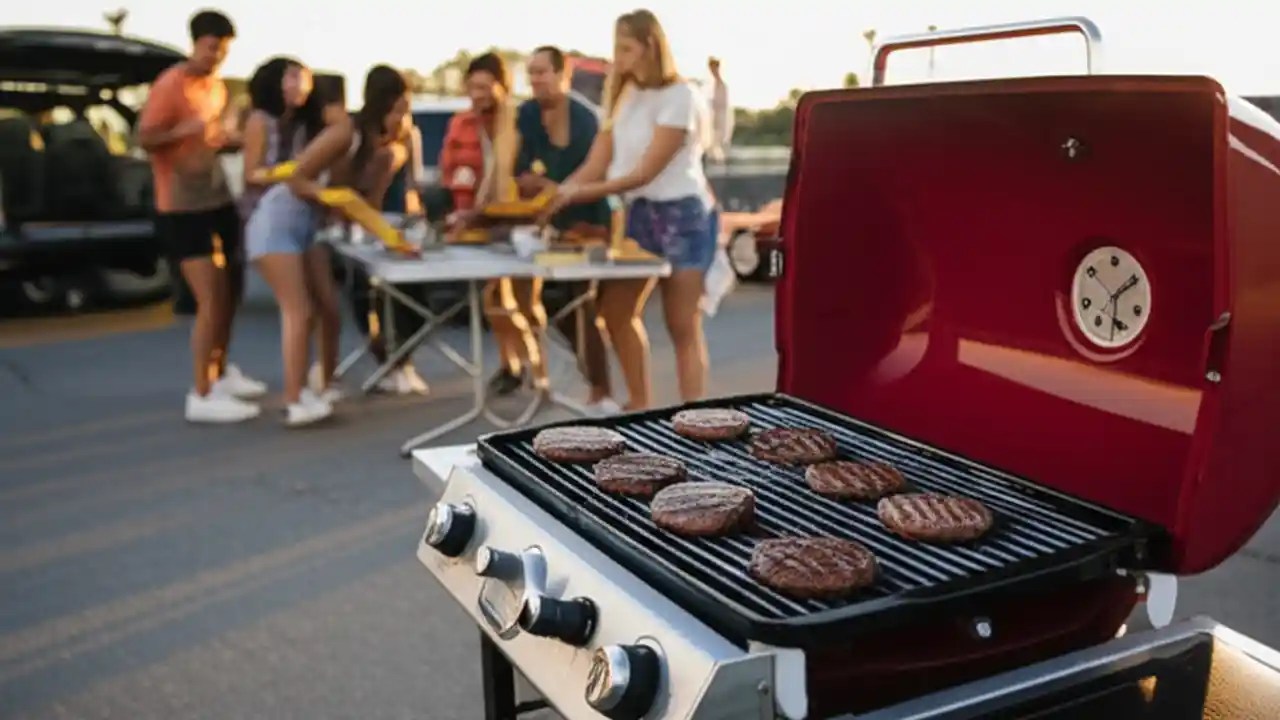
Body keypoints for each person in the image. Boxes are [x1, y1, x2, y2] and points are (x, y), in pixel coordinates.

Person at [542, 9, 716, 408]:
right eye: (616, 48)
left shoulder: (681, 96)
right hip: (640, 215)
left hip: (683, 216)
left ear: (650, 47)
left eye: (626, 48)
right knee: (614, 310)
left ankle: (697, 417)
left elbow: (645, 172)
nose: (618, 58)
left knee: (681, 324)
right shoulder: (622, 95)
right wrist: (561, 191)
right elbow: (596, 163)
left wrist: (581, 195)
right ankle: (639, 403)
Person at [244, 65, 403, 426]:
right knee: (298, 312)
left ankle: (324, 381)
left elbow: (347, 196)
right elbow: (298, 178)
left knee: (328, 308)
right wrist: (333, 198)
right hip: (277, 225)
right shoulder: (340, 132)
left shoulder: (345, 135)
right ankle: (295, 399)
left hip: (307, 227)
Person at [138, 9, 266, 423]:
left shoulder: (216, 88)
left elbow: (208, 138)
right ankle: (202, 392)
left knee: (229, 292)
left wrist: (226, 139)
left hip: (215, 196)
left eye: (224, 51)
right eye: (212, 48)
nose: (217, 57)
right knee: (209, 297)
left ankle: (222, 371)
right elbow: (146, 138)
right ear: (195, 43)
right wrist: (184, 131)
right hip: (180, 204)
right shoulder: (170, 84)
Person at [514, 45, 619, 414]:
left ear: (563, 74)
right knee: (551, 301)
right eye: (531, 73)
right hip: (547, 223)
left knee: (582, 302)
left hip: (588, 221)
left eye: (542, 71)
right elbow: (520, 169)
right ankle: (579, 382)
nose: (535, 79)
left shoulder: (586, 119)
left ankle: (601, 390)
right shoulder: (526, 113)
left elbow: (595, 174)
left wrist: (550, 190)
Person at [440, 53, 544, 396]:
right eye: (472, 86)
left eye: (484, 86)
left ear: (503, 87)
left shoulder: (519, 122)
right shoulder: (461, 124)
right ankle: (512, 363)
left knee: (526, 300)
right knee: (494, 299)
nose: (477, 93)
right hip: (477, 220)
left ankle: (537, 370)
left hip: (519, 217)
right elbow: (449, 171)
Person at [335, 66, 431, 395]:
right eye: (394, 110)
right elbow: (348, 185)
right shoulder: (357, 134)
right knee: (365, 294)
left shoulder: (409, 135)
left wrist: (420, 215)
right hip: (365, 224)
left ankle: (404, 359)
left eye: (405, 110)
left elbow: (415, 183)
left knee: (412, 298)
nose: (400, 118)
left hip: (403, 223)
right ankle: (383, 357)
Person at [705, 57, 734, 165]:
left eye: (713, 68)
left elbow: (721, 104)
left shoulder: (722, 85)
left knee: (718, 142)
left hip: (721, 118)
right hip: (713, 118)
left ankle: (719, 166)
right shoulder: (711, 85)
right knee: (712, 144)